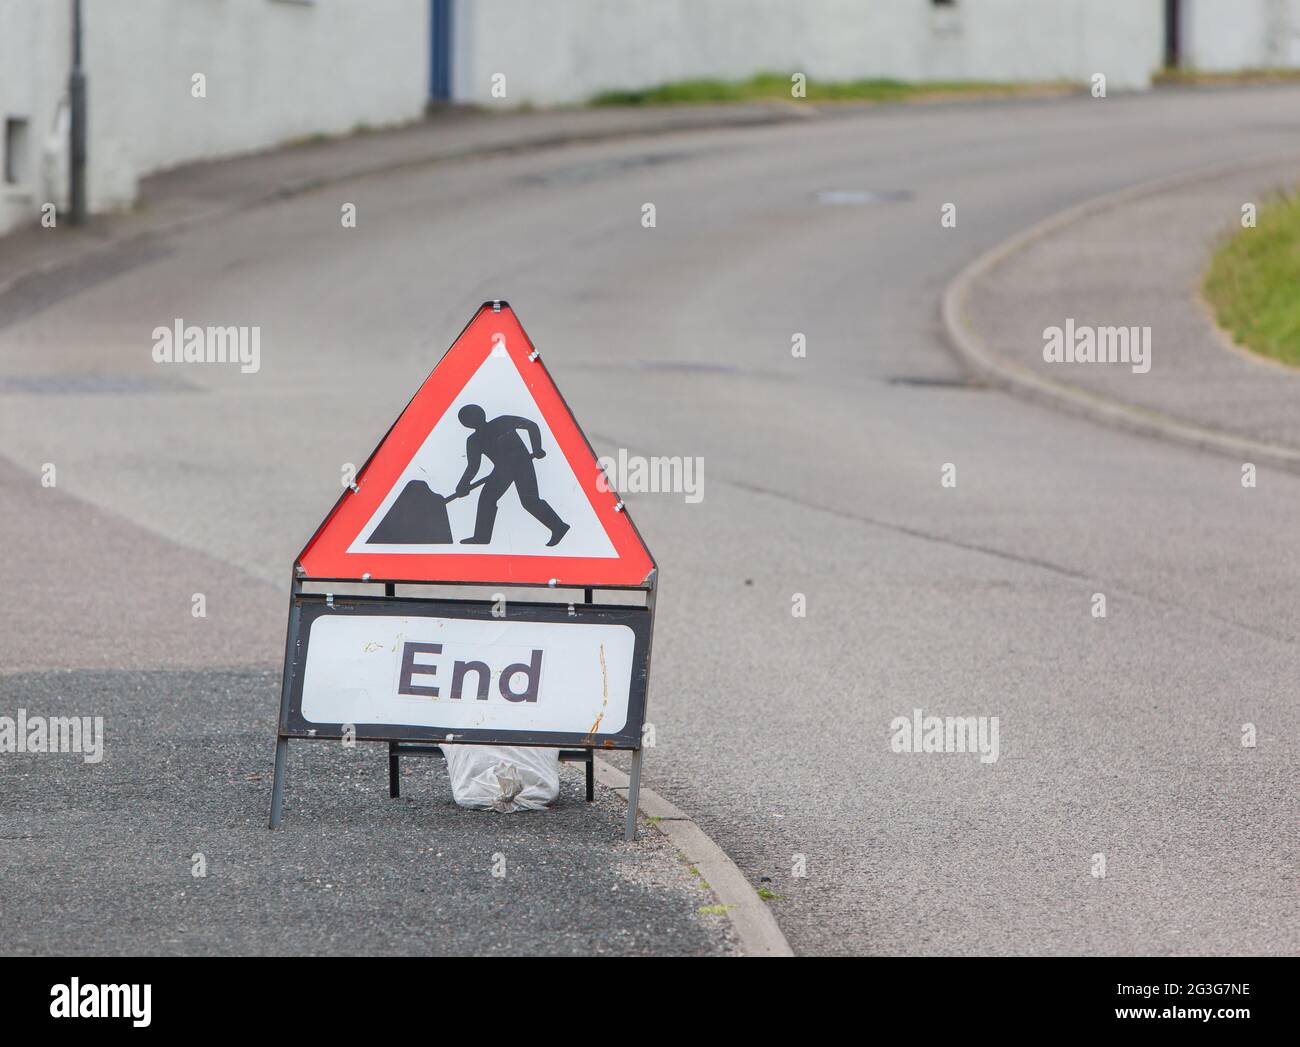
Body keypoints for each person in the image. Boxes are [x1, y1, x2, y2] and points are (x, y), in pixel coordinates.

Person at [453, 404, 570, 546]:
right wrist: (463, 483)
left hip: (522, 464)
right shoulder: (473, 440)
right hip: (502, 470)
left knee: (529, 501)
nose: (470, 420)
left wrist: (537, 447)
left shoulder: (502, 422)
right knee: (486, 500)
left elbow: (531, 425)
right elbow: (473, 465)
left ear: (481, 414)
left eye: (471, 416)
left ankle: (559, 527)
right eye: (466, 419)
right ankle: (481, 537)